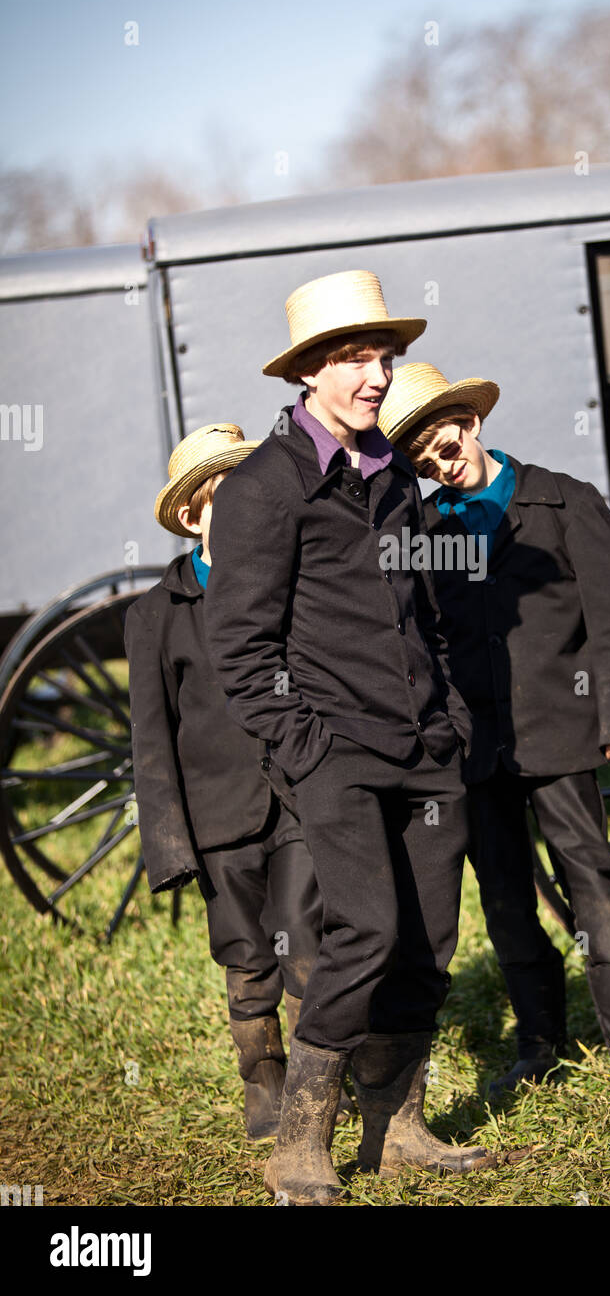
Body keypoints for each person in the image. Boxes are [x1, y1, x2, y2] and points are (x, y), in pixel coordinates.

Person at [204, 271, 493, 1205]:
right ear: (314, 372)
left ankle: (399, 1127)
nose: (378, 377)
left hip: (426, 747)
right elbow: (240, 647)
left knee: (429, 941)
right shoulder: (264, 487)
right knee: (363, 933)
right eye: (359, 360)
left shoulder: (397, 479)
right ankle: (298, 1142)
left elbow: (428, 615)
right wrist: (307, 750)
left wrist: (449, 717)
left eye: (385, 358)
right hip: (334, 752)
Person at [379, 363, 610, 1096]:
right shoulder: (426, 531)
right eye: (424, 461)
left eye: (447, 444)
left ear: (472, 425)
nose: (443, 465)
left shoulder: (562, 501)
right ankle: (540, 1045)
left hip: (562, 734)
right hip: (475, 751)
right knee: (503, 897)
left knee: (591, 878)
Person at [125, 423, 325, 1142]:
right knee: (245, 951)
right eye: (228, 502)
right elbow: (152, 740)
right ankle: (263, 1083)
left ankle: (312, 1087)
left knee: (304, 935)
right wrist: (171, 845)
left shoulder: (290, 587)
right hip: (217, 821)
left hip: (297, 797)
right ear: (192, 517)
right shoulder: (156, 615)